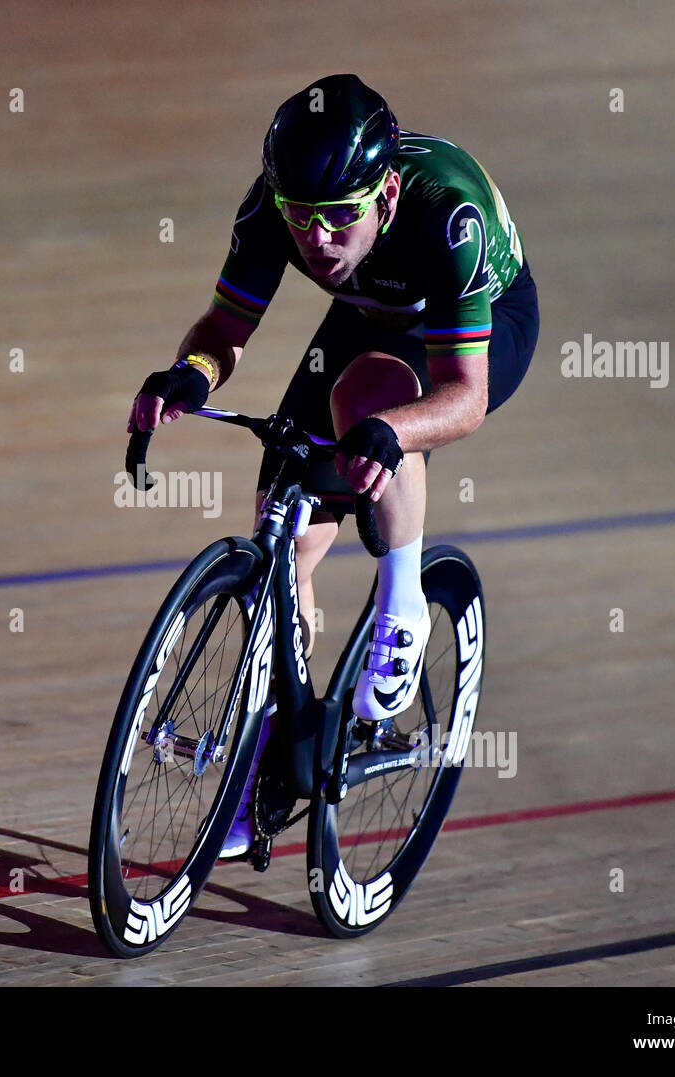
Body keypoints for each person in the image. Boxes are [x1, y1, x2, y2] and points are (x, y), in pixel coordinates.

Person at [127, 73, 539, 859]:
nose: (317, 239)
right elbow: (226, 323)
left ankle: (403, 608)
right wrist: (192, 375)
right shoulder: (276, 203)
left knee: (373, 402)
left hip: (479, 322)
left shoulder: (442, 217)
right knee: (284, 530)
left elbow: (465, 397)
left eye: (339, 219)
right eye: (302, 220)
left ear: (384, 197)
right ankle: (279, 751)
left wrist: (393, 432)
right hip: (366, 314)